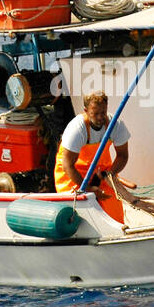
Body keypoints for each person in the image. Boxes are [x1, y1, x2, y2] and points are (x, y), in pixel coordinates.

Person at [54, 90, 130, 223]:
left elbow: (123, 156)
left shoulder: (115, 125)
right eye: (95, 114)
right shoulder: (77, 129)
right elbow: (67, 166)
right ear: (86, 111)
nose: (100, 117)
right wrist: (89, 189)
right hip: (72, 173)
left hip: (102, 171)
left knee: (113, 209)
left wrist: (109, 174)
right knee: (81, 214)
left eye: (103, 113)